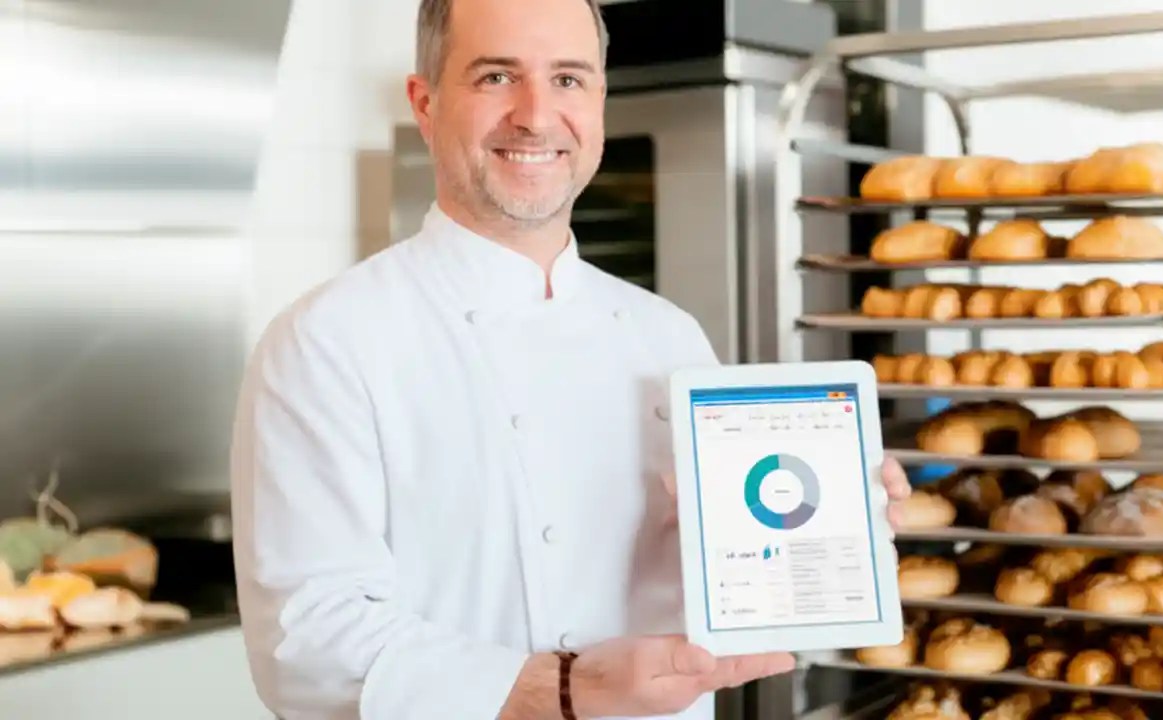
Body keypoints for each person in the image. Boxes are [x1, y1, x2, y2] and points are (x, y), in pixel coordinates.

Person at [229, 0, 913, 718]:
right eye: (496, 76)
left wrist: (828, 519)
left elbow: (732, 575)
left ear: (599, 103)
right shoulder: (326, 342)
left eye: (568, 79)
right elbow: (308, 646)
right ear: (425, 104)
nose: (535, 115)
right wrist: (562, 689)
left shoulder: (668, 336)